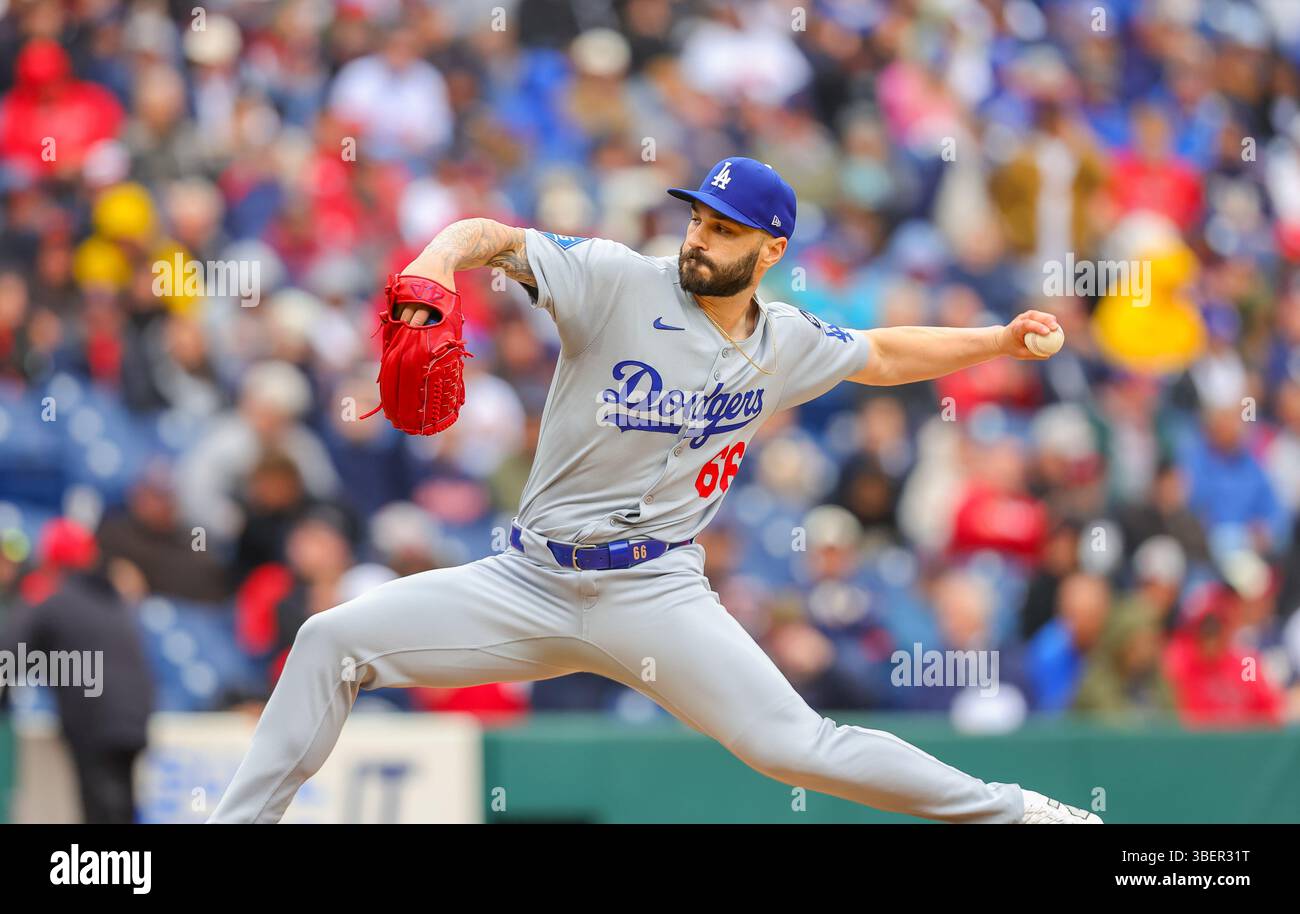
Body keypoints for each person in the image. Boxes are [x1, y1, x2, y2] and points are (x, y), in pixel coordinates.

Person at [209, 157, 1098, 824]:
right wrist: (439, 260)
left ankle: (1014, 814)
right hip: (528, 581)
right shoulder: (616, 280)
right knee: (331, 641)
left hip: (656, 591)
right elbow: (493, 237)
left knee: (793, 746)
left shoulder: (783, 340)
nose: (698, 238)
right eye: (697, 219)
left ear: (770, 249)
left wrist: (996, 341)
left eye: (723, 229)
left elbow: (885, 352)